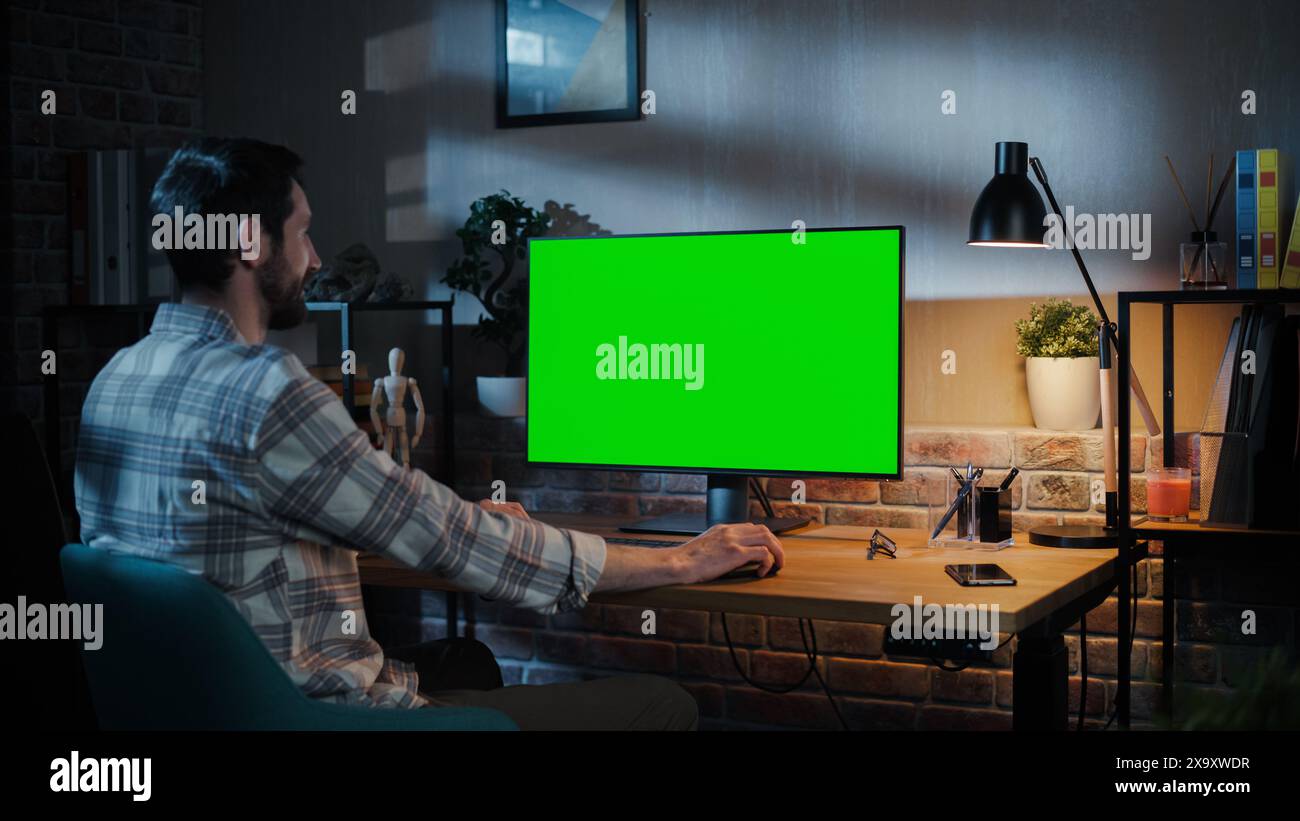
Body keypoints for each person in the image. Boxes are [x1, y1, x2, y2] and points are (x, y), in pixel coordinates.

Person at [74, 138, 784, 730]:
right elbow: (451, 543)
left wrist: (460, 518)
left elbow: (230, 534)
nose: (317, 258)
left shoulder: (115, 380)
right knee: (662, 705)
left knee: (469, 661)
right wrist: (675, 562)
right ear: (254, 247)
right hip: (313, 715)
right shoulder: (270, 391)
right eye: (303, 232)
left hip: (200, 711)